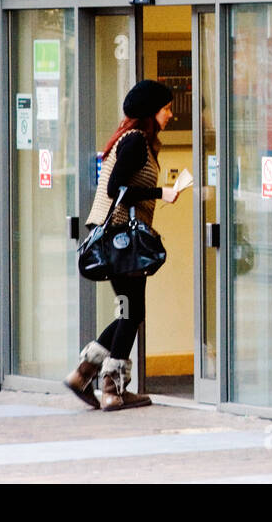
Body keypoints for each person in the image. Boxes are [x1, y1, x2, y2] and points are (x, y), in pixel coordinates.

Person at [64, 80, 183, 411]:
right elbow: (116, 187)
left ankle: (85, 372)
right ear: (151, 112)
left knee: (129, 309)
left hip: (118, 234)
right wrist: (163, 193)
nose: (171, 114)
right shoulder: (135, 142)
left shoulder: (135, 140)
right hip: (119, 236)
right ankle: (112, 388)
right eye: (166, 108)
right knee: (130, 310)